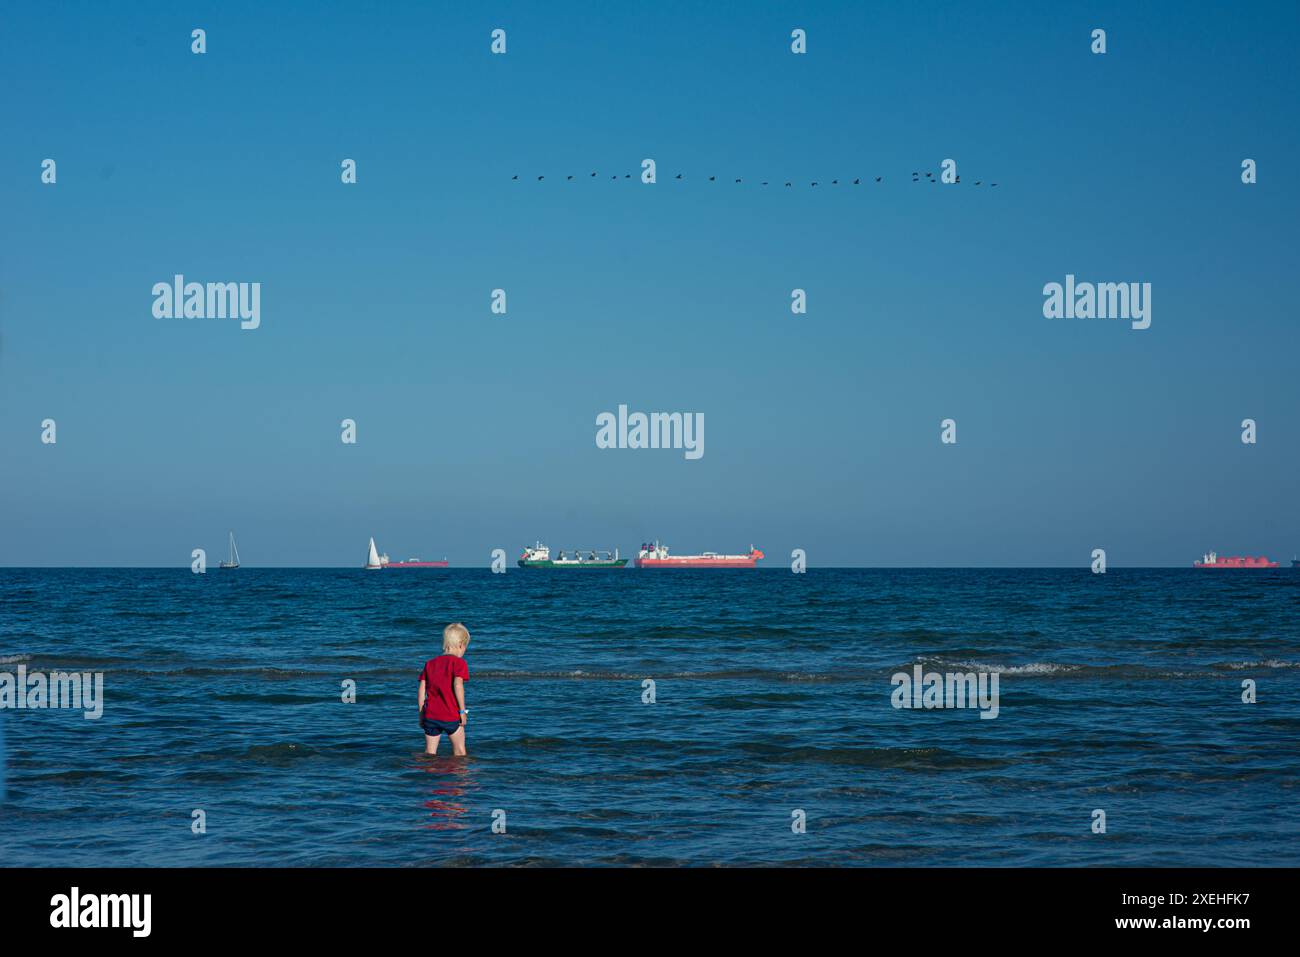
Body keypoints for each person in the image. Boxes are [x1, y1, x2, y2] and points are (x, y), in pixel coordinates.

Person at [418, 623, 470, 755]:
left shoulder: (430, 663)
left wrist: (421, 714)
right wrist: (463, 711)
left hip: (430, 715)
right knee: (460, 752)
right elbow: (458, 685)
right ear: (460, 645)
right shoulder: (459, 663)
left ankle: (428, 775)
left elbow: (421, 690)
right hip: (451, 715)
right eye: (465, 647)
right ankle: (460, 775)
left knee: (429, 753)